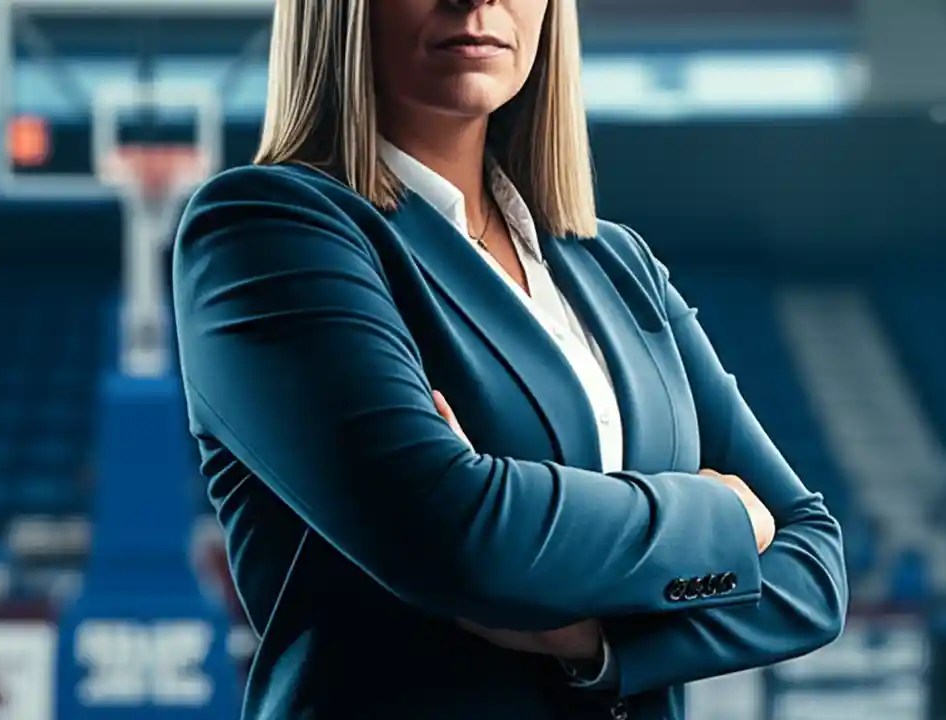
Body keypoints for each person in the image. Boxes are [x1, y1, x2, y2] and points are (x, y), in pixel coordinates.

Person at [171, 1, 848, 717]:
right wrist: (723, 518)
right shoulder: (264, 227)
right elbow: (459, 538)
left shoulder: (616, 262)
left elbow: (814, 564)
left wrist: (598, 645)